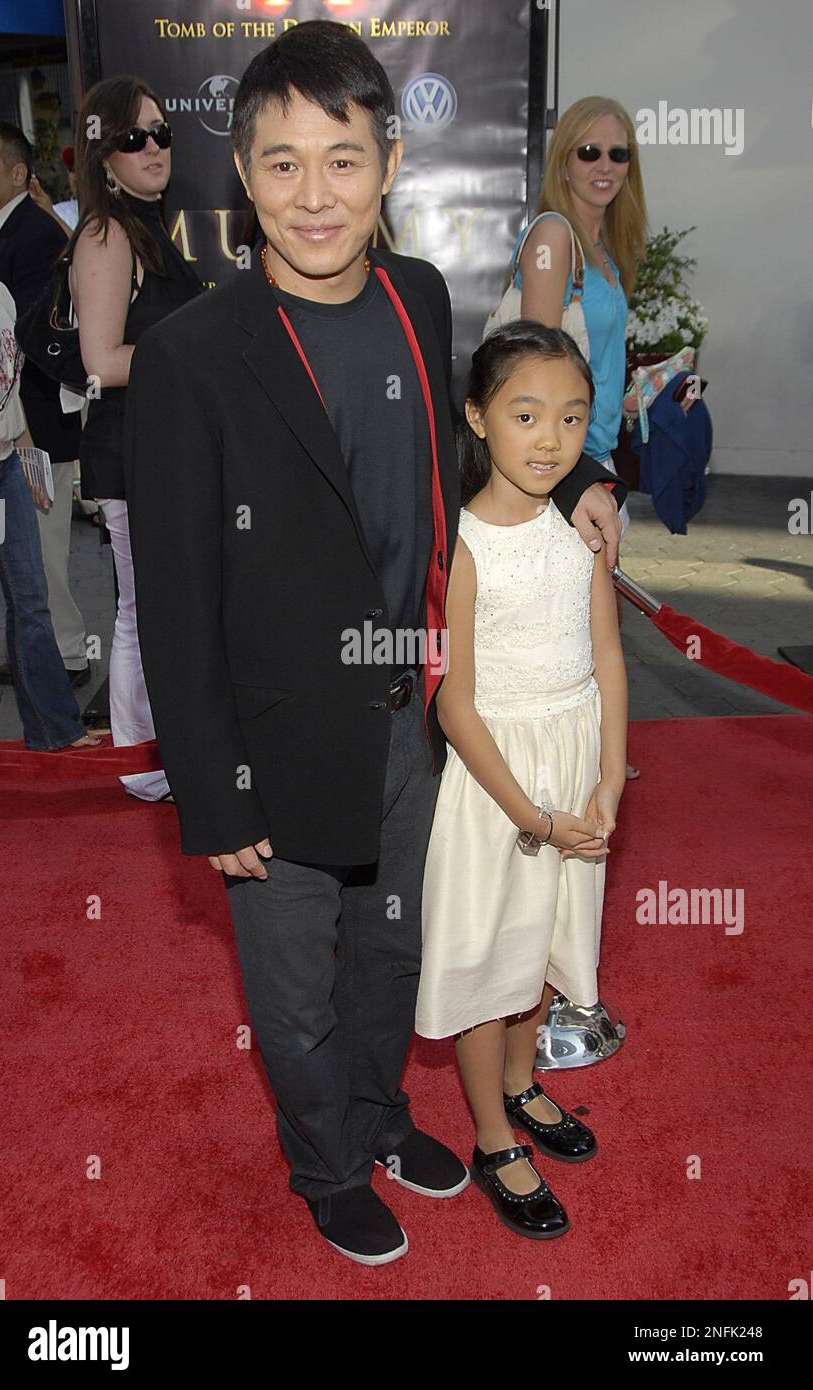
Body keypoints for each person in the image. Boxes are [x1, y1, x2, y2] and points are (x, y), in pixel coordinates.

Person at [123, 20, 627, 1266]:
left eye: (342, 160)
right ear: (240, 174)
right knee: (293, 984)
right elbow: (176, 595)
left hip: (410, 710)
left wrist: (575, 480)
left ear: (390, 162)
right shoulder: (191, 355)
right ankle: (326, 1164)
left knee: (395, 946)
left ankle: (382, 1111)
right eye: (282, 163)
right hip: (274, 734)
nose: (314, 195)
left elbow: (470, 454)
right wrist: (212, 782)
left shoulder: (416, 294)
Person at [416, 320, 628, 1238]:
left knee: (542, 946)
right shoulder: (458, 545)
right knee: (489, 965)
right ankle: (493, 1136)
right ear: (476, 417)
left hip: (575, 770)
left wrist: (608, 786)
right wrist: (532, 815)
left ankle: (520, 1078)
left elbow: (610, 662)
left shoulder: (581, 532)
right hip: (496, 788)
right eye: (525, 414)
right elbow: (452, 704)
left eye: (572, 418)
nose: (549, 439)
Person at [68, 76, 205, 801]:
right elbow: (100, 360)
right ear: (103, 152)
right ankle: (141, 766)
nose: (153, 147)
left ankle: (155, 754)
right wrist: (197, 357)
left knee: (158, 606)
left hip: (164, 449)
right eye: (133, 137)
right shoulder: (107, 232)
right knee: (139, 611)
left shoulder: (152, 225)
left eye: (161, 133)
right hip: (132, 451)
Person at [515, 97, 650, 780]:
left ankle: (589, 753)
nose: (603, 166)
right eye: (587, 152)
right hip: (565, 466)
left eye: (617, 153)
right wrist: (565, 474)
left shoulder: (601, 247)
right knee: (568, 627)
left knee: (591, 622)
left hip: (596, 451)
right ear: (562, 160)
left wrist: (629, 396)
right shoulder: (553, 235)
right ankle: (557, 767)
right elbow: (532, 368)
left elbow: (586, 357)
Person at [0, 174, 98, 752]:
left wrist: (28, 453)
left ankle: (55, 732)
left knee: (31, 601)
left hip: (4, 467)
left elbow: (11, 386)